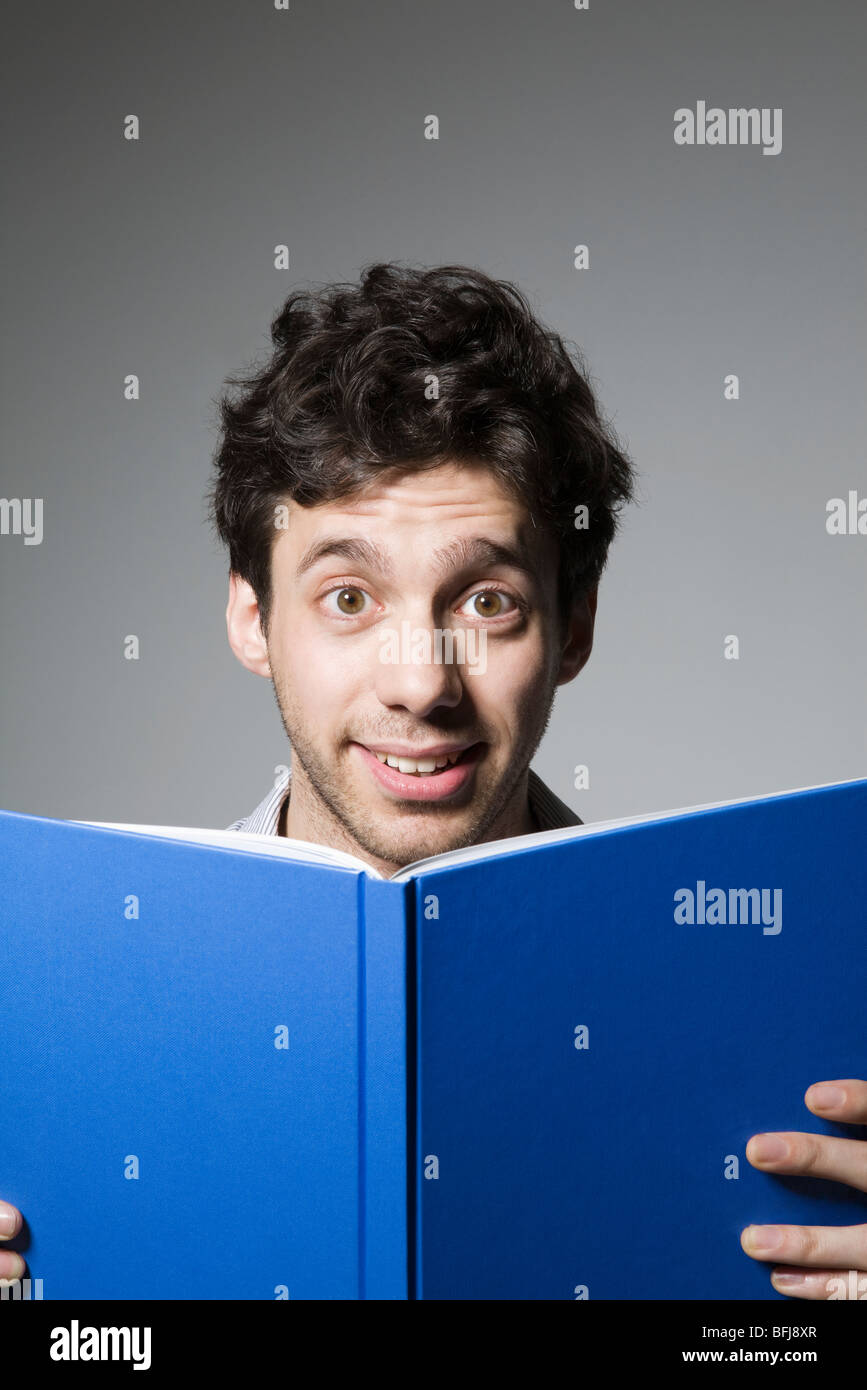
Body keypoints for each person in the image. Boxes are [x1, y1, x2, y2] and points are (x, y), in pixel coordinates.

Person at [2, 264, 862, 1299]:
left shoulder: (785, 989)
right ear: (250, 616)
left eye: (488, 602)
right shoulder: (42, 1002)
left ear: (574, 627)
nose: (420, 682)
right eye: (351, 595)